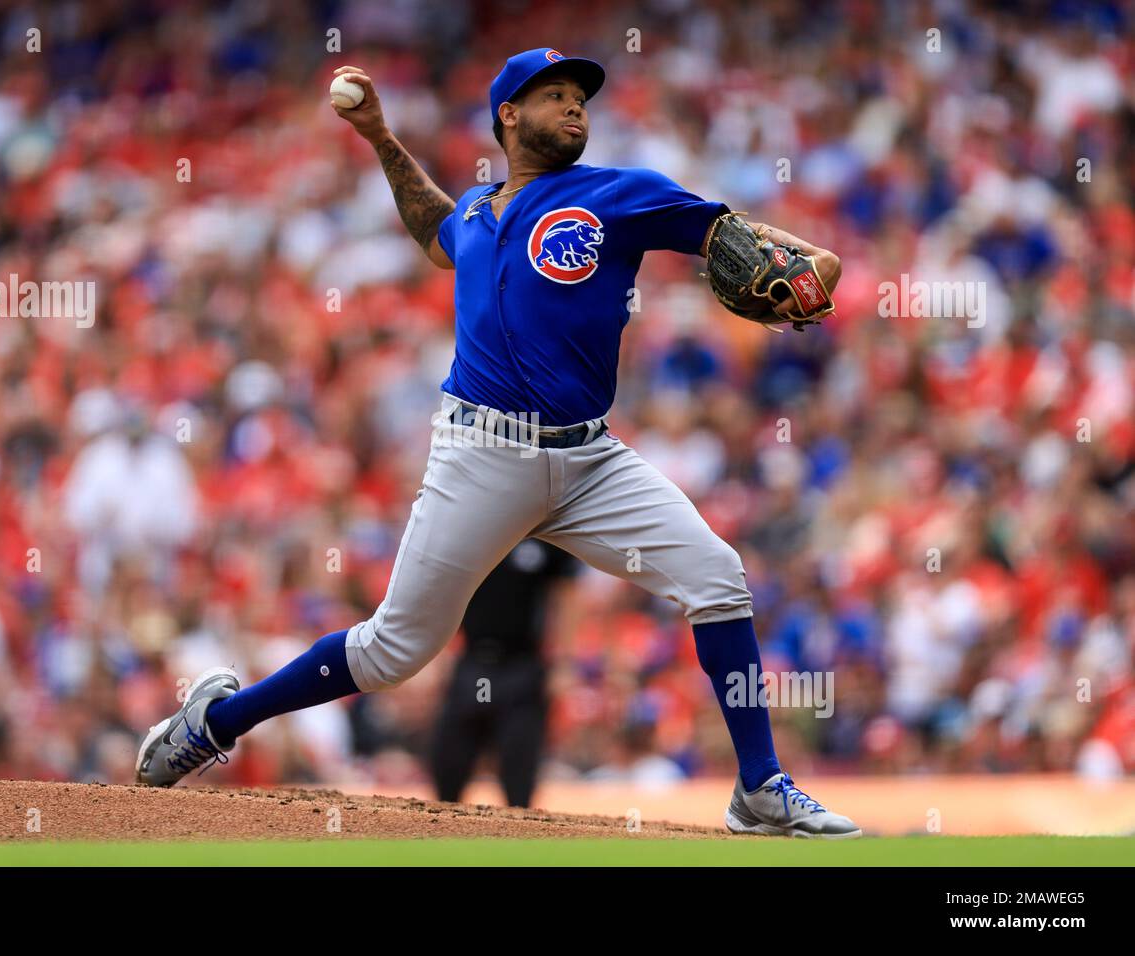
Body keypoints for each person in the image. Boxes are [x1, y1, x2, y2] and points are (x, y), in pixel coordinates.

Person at [136, 48, 861, 838]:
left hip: (589, 462)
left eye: (581, 97)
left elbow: (731, 233)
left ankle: (759, 787)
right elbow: (433, 231)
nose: (575, 108)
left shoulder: (621, 194)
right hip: (481, 455)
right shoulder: (477, 215)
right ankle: (216, 721)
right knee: (392, 653)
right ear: (508, 115)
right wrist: (380, 136)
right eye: (554, 96)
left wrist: (806, 259)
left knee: (718, 578)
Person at [428, 538, 578, 808]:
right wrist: (437, 653)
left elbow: (565, 596)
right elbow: (442, 588)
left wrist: (564, 662)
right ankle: (441, 833)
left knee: (518, 769)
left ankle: (518, 841)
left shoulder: (544, 536)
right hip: (472, 661)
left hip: (521, 665)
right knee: (449, 762)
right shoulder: (473, 528)